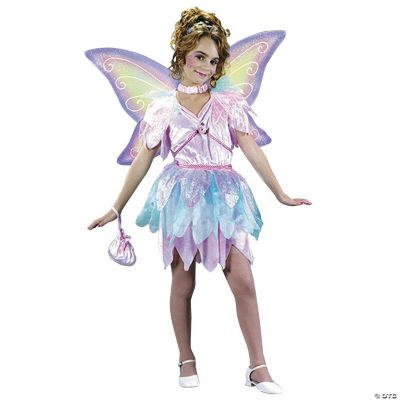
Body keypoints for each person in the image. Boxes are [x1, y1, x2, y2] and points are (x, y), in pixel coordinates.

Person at [87, 6, 311, 394]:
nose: (207, 67)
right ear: (182, 55)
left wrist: (281, 193)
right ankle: (186, 357)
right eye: (199, 57)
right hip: (183, 199)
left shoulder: (228, 104)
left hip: (226, 197)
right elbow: (143, 159)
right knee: (182, 281)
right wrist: (115, 207)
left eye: (214, 60)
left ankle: (258, 366)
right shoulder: (163, 108)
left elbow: (251, 149)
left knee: (243, 280)